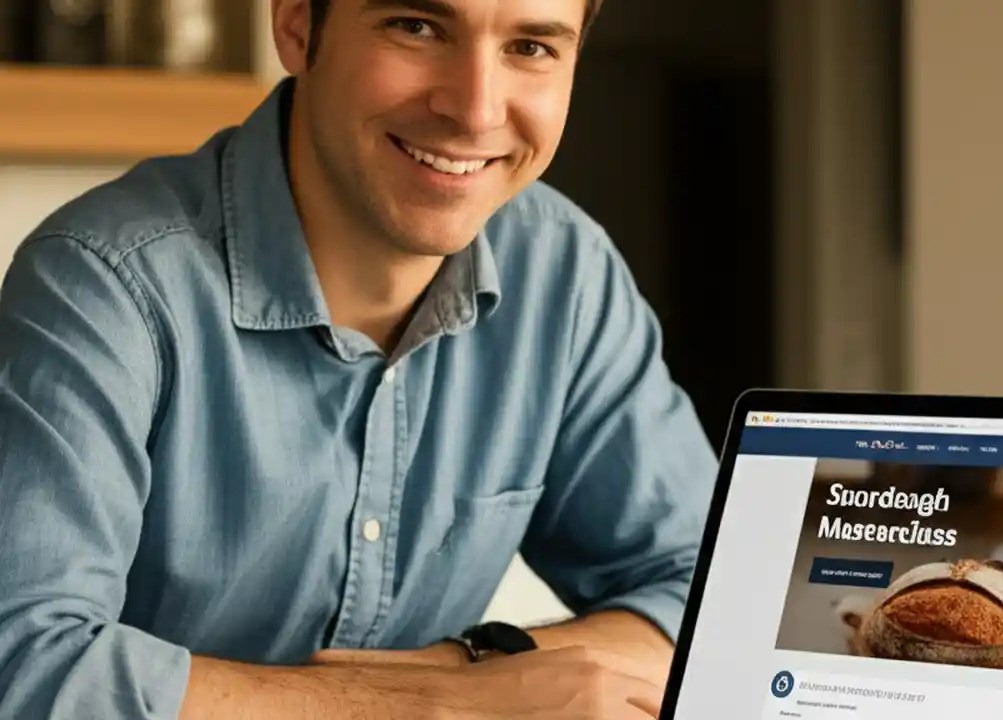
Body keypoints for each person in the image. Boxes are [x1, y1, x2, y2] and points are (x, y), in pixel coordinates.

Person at [0, 0, 718, 717]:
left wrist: (461, 673)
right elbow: (27, 668)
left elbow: (714, 594)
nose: (474, 109)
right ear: (296, 26)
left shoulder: (564, 272)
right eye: (418, 27)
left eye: (530, 47)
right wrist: (426, 708)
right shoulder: (102, 284)